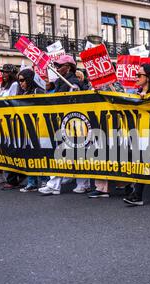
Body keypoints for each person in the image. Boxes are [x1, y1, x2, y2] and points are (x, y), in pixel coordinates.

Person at [38, 55, 90, 195]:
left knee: (77, 152)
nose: (57, 68)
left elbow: (79, 94)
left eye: (59, 66)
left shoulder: (73, 81)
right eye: (56, 66)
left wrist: (76, 89)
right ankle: (56, 184)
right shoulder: (59, 82)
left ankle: (82, 183)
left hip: (74, 122)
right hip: (63, 121)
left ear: (68, 67)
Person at [123, 64, 150, 206]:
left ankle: (139, 194)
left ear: (148, 77)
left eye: (139, 75)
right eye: (136, 74)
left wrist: (147, 100)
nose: (136, 77)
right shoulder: (136, 92)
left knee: (146, 160)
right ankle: (135, 192)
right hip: (139, 132)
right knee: (139, 160)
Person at [16, 68, 49, 193]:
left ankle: (45, 179)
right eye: (19, 81)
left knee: (40, 155)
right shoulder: (23, 94)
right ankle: (32, 182)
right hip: (27, 129)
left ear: (29, 79)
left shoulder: (38, 91)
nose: (21, 83)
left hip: (39, 128)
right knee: (29, 155)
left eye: (23, 80)